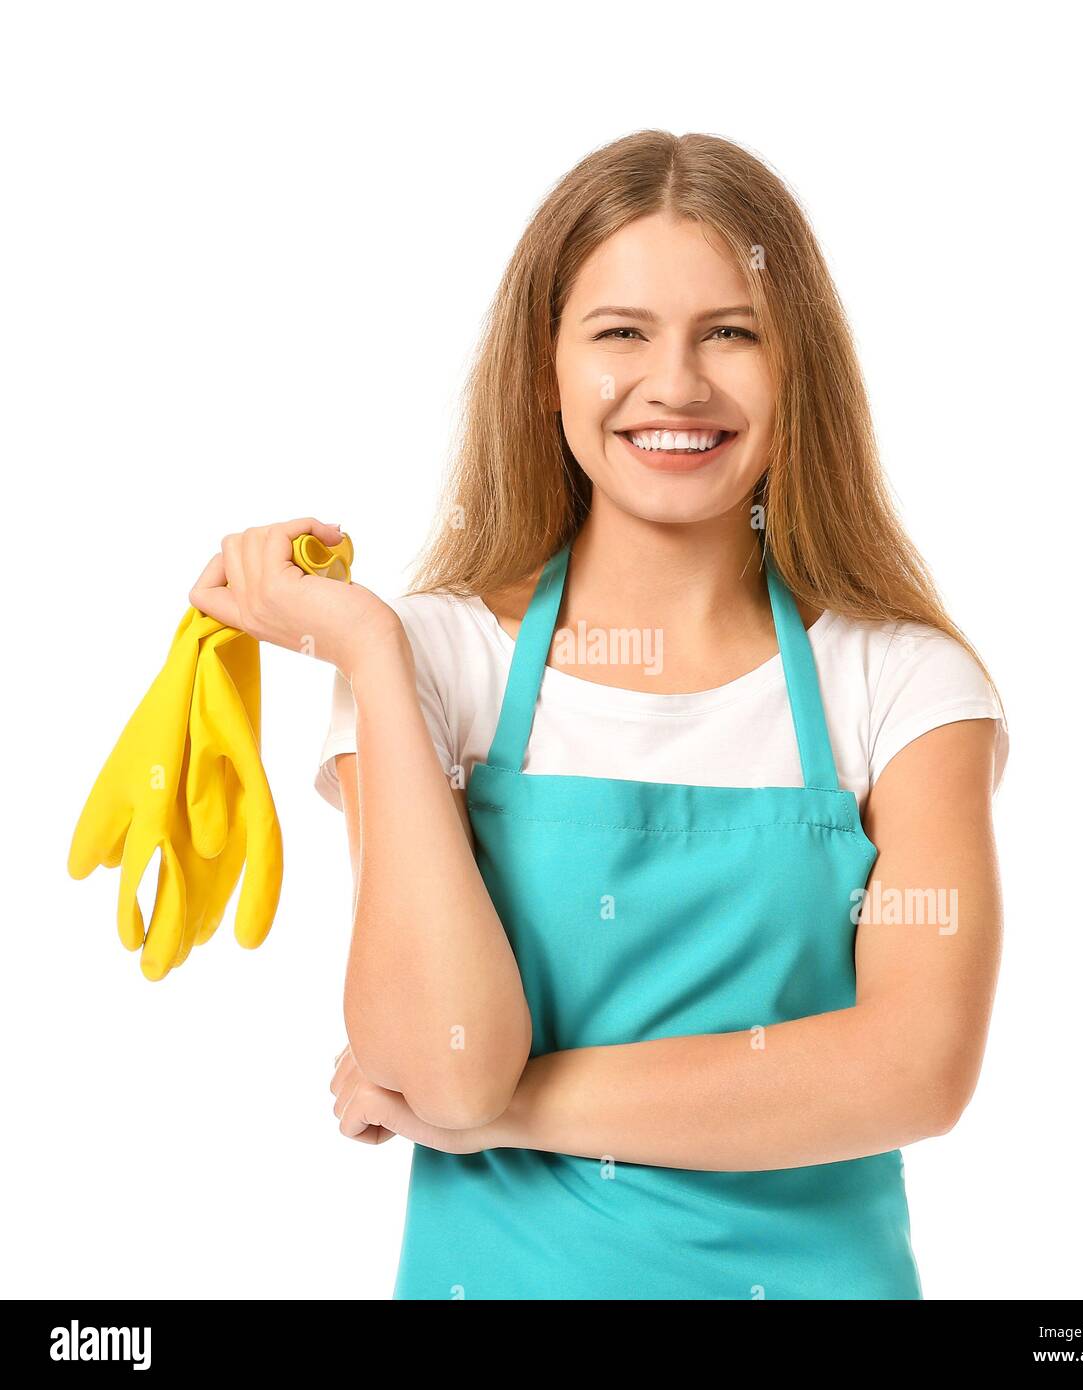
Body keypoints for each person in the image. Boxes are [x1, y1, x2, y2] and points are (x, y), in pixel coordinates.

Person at [192, 130, 1008, 1300]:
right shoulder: (434, 658)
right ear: (546, 369)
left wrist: (509, 1112)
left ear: (801, 370)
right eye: (620, 332)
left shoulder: (906, 686)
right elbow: (444, 1064)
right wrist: (370, 648)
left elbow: (914, 1069)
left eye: (731, 333)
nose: (675, 384)